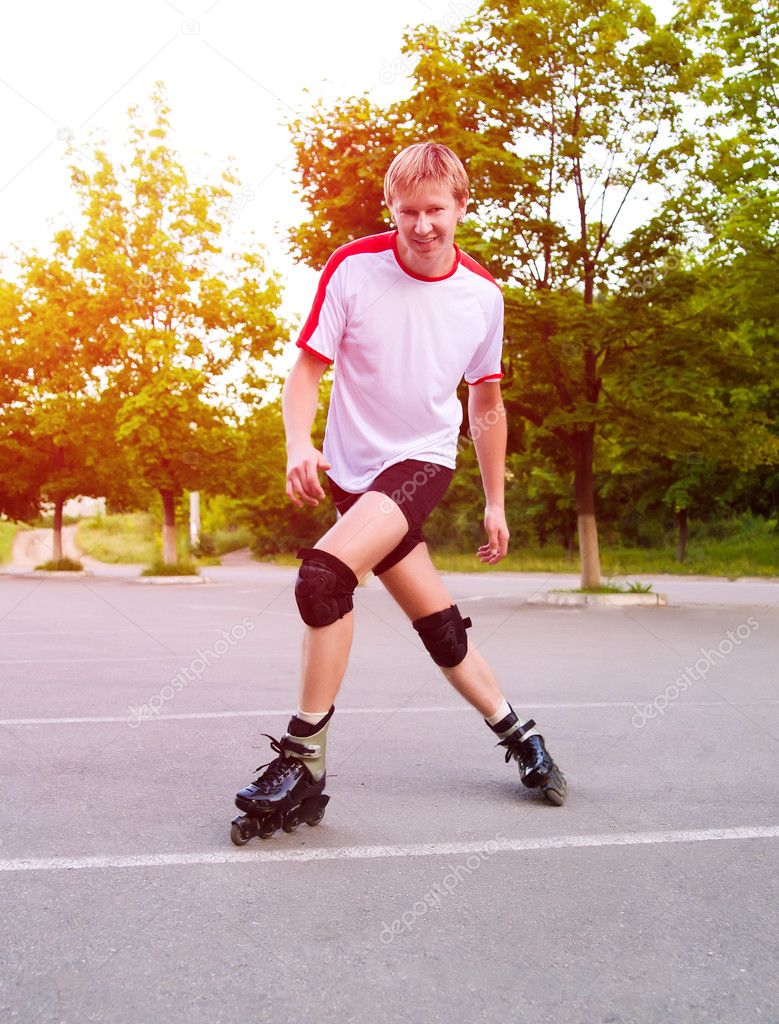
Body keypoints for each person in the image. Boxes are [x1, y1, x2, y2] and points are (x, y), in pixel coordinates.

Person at [232, 142, 566, 844]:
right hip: (352, 477)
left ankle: (301, 764)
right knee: (439, 628)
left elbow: (486, 404)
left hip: (421, 463)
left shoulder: (481, 295)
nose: (421, 226)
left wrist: (494, 500)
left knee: (322, 579)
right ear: (390, 209)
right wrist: (299, 443)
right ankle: (522, 736)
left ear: (461, 208)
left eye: (435, 211)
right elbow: (305, 371)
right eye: (407, 211)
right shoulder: (352, 269)